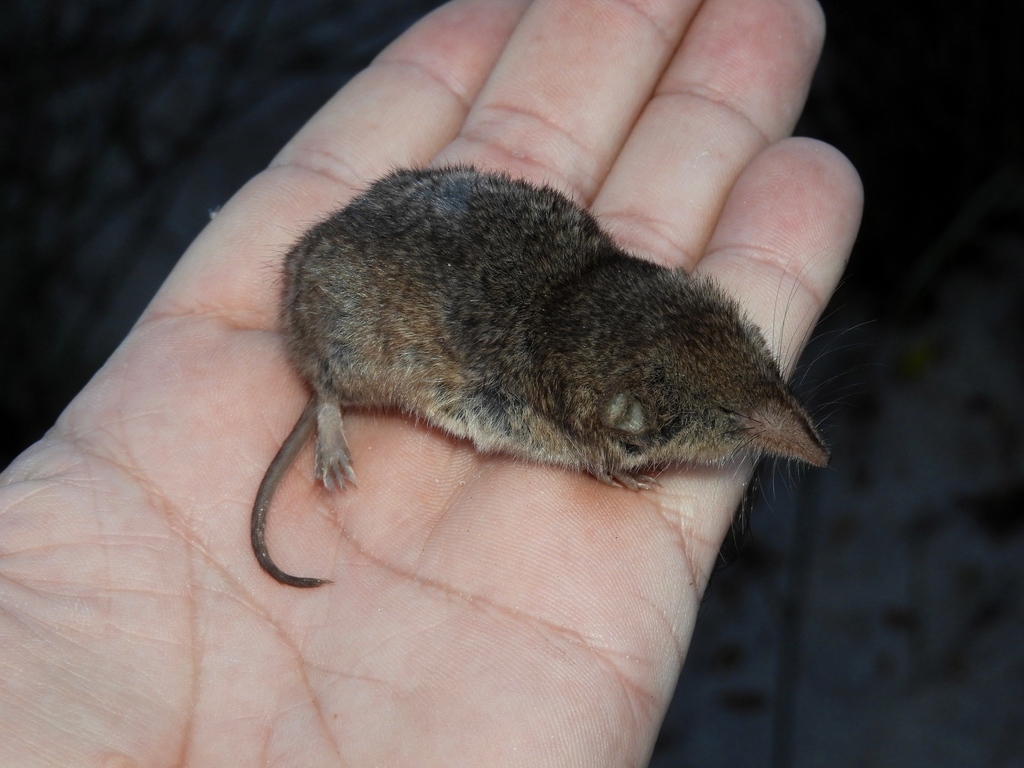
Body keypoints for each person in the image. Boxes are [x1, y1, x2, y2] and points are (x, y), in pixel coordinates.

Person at [0, 0, 861, 764]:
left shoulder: (610, 308)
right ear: (619, 423)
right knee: (352, 354)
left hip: (427, 249)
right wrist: (329, 411)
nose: (778, 431)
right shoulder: (555, 403)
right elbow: (529, 422)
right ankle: (331, 400)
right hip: (360, 304)